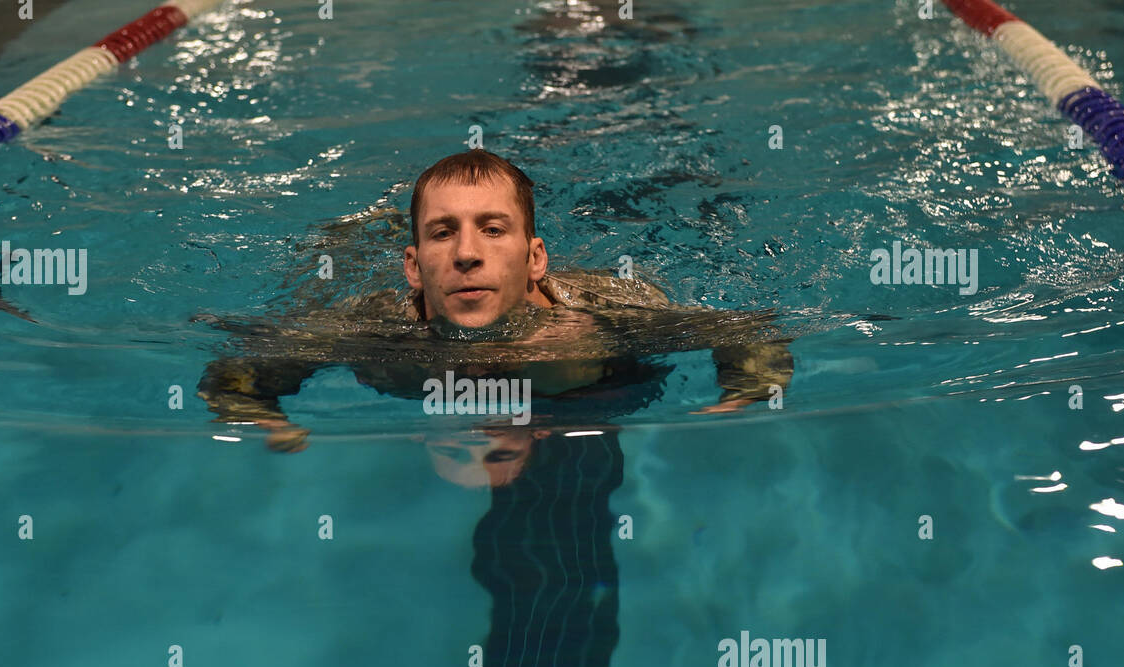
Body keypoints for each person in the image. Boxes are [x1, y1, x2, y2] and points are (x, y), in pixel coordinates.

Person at [196, 149, 795, 461]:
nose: (465, 255)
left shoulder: (603, 318)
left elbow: (746, 329)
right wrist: (268, 423)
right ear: (413, 267)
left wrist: (743, 396)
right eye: (441, 233)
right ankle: (362, 227)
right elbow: (237, 371)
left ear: (536, 259)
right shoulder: (368, 329)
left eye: (492, 230)